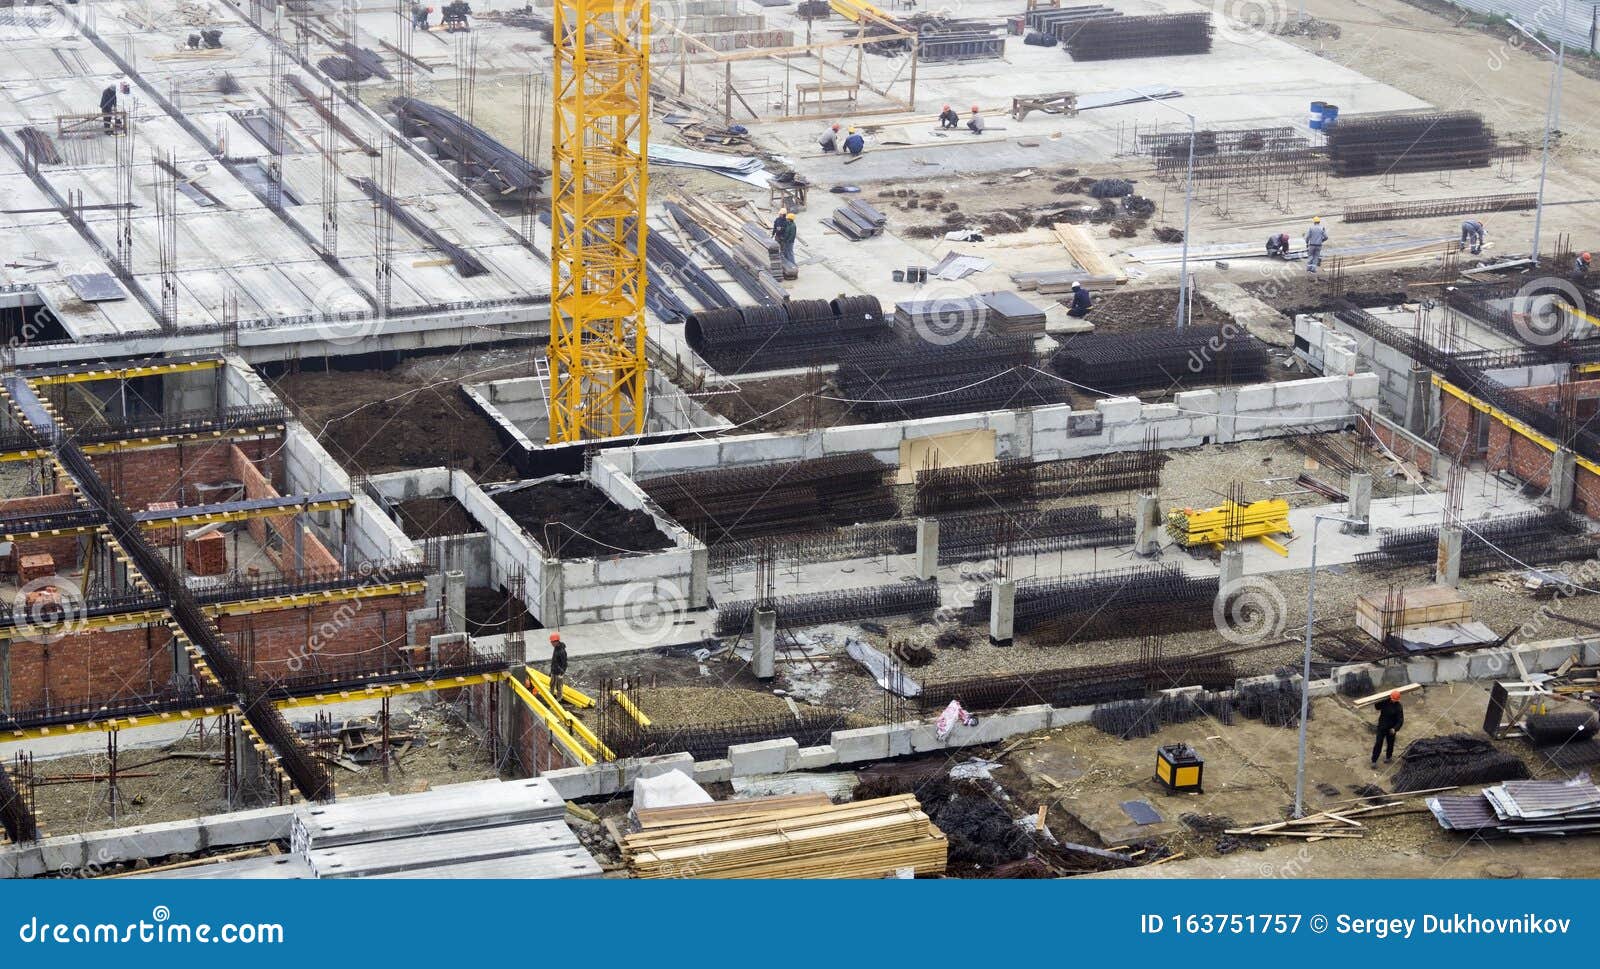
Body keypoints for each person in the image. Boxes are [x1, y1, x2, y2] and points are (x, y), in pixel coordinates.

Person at [1370, 689, 1405, 766]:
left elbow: (1400, 720)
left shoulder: (1398, 707)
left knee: (1390, 744)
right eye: (1392, 699)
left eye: (1395, 700)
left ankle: (1388, 757)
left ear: (1398, 699)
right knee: (1378, 743)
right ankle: (1374, 760)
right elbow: (1377, 707)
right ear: (1390, 697)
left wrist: (1395, 729)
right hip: (1382, 727)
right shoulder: (1385, 702)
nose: (1393, 701)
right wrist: (1377, 700)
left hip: (1391, 729)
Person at [548, 632, 569, 702]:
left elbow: (565, 663)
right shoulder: (556, 648)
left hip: (559, 672)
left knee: (559, 686)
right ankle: (550, 695)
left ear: (556, 641)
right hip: (554, 670)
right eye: (551, 642)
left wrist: (562, 673)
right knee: (551, 684)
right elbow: (554, 660)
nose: (551, 643)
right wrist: (551, 670)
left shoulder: (562, 651)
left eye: (552, 642)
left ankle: (559, 698)